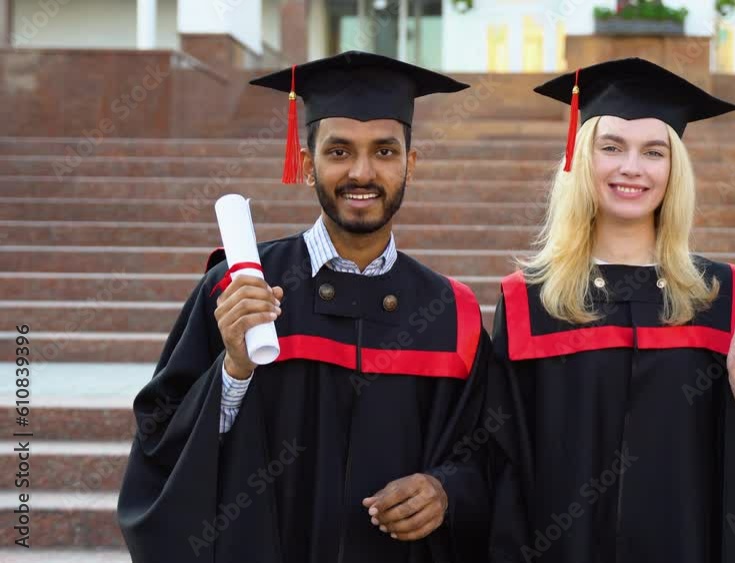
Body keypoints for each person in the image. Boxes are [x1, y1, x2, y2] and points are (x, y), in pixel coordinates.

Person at [117, 51, 495, 563]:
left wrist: (446, 491)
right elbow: (161, 440)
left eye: (384, 152)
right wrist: (233, 369)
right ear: (304, 162)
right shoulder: (236, 291)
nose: (362, 172)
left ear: (410, 163)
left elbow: (493, 454)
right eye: (339, 152)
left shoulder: (452, 313)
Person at [489, 58, 735, 563]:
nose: (632, 168)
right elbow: (500, 465)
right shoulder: (530, 302)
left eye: (654, 152)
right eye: (612, 147)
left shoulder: (723, 298)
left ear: (674, 169)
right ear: (581, 159)